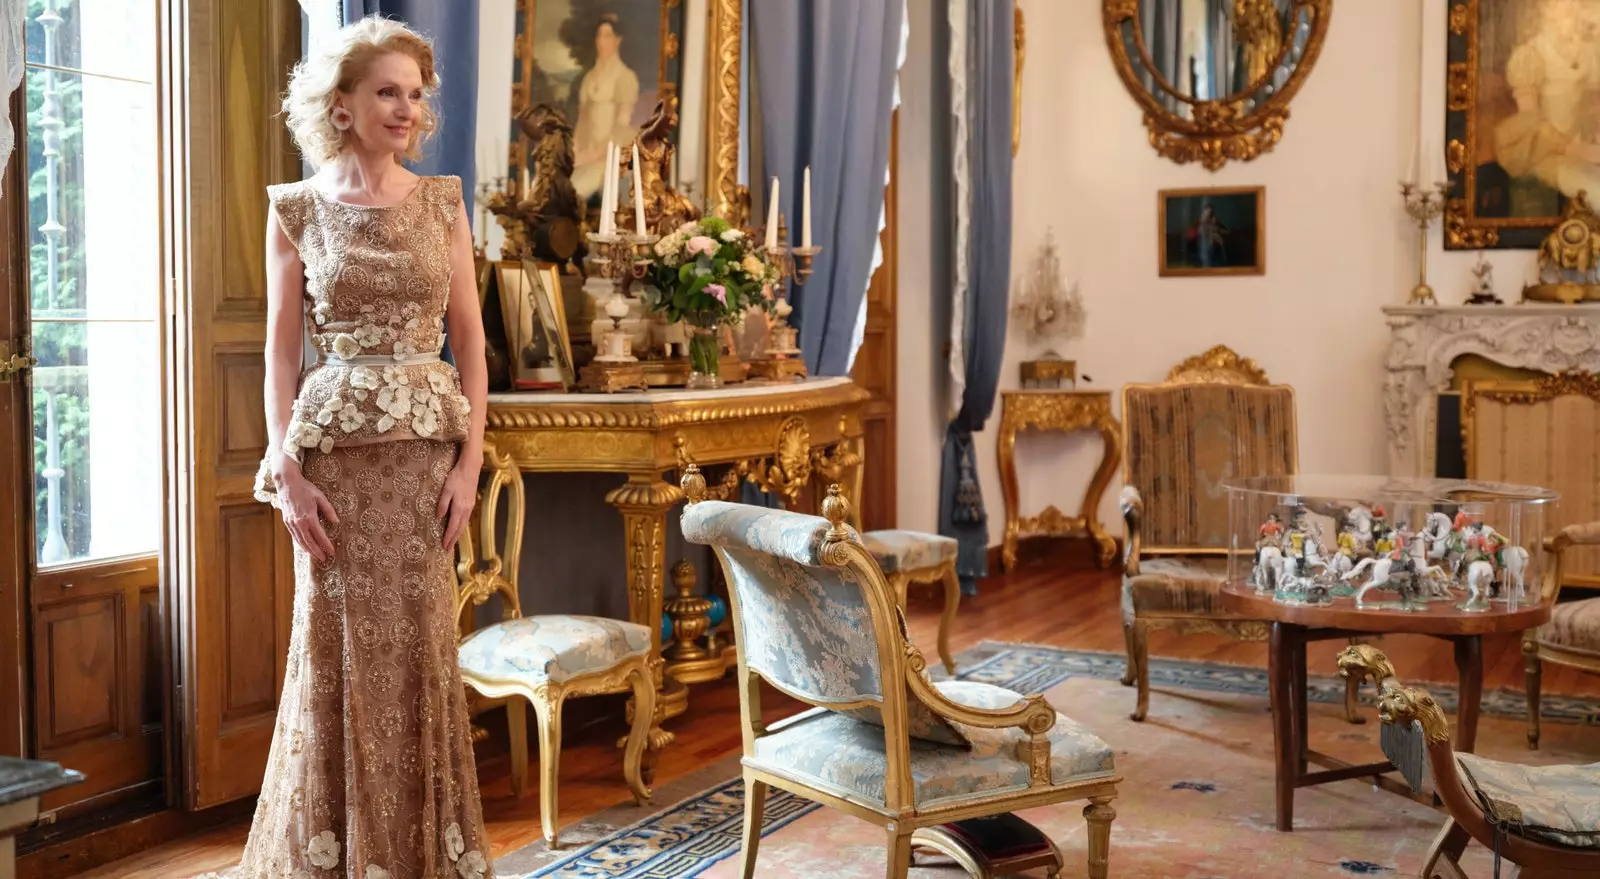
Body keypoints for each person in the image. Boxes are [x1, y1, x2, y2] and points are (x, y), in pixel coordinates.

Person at [244, 16, 493, 879]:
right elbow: (280, 351)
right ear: (341, 105)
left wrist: (469, 465)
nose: (407, 108)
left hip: (425, 462)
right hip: (335, 466)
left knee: (422, 650)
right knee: (334, 650)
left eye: (416, 94)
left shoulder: (442, 199)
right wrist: (284, 467)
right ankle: (334, 859)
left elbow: (471, 339)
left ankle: (420, 858)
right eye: (387, 90)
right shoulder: (297, 209)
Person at [1494, 0, 1600, 202]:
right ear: (1544, 9)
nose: (1576, 7)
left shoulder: (1588, 51)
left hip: (1586, 146)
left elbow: (1594, 105)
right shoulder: (1530, 55)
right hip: (1547, 153)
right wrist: (1578, 150)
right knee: (1596, 191)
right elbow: (1531, 124)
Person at [570, 14, 641, 200]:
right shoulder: (589, 78)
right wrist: (576, 152)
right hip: (588, 154)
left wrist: (594, 154)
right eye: (599, 36)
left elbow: (620, 126)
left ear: (618, 40)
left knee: (576, 190)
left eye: (608, 36)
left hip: (611, 154)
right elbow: (582, 120)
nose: (602, 41)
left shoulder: (625, 77)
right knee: (561, 190)